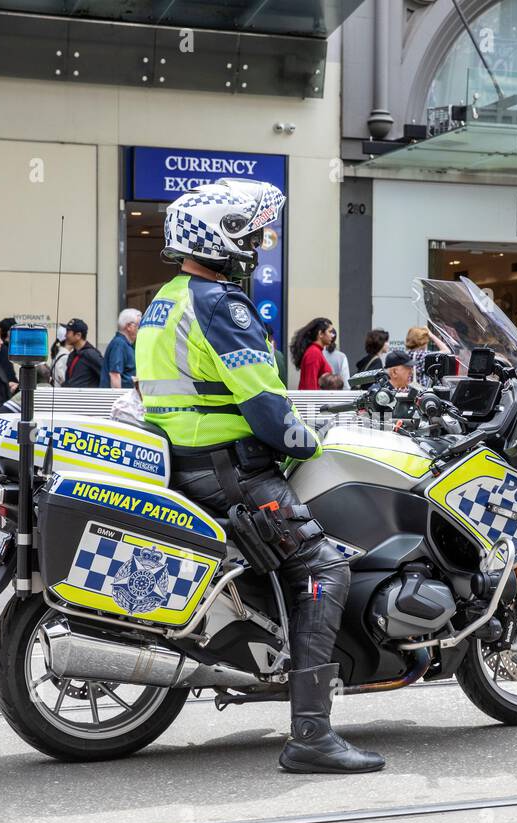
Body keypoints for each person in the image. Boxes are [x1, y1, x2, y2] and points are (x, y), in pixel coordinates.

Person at [136, 177, 380, 774]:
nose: (259, 241)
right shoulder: (222, 304)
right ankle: (312, 735)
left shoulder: (165, 298)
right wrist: (309, 440)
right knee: (323, 565)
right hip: (234, 470)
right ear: (221, 239)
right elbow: (267, 405)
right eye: (249, 232)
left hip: (193, 462)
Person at [290, 317, 334, 389]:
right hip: (311, 399)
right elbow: (310, 387)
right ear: (320, 334)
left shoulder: (316, 351)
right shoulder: (314, 353)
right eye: (330, 332)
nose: (332, 335)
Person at [102, 309, 140, 388]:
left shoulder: (124, 344)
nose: (139, 329)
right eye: (138, 325)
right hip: (120, 398)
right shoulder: (119, 344)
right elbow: (115, 375)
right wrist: (119, 398)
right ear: (129, 326)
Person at [61, 318, 103, 387]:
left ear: (78, 335)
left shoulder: (91, 354)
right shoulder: (72, 355)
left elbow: (105, 376)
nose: (65, 336)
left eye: (68, 332)